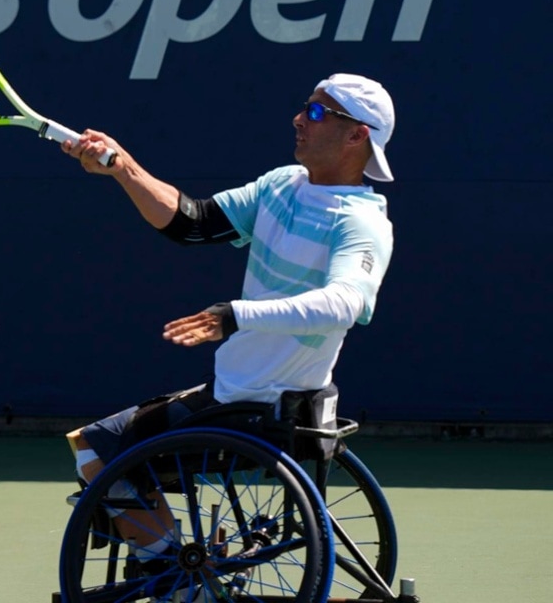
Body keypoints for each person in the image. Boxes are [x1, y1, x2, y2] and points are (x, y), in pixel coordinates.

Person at [60, 73, 395, 572]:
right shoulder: (281, 184)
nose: (298, 119)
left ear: (356, 135)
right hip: (235, 394)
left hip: (259, 407)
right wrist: (124, 168)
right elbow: (193, 221)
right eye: (305, 107)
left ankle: (172, 572)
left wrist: (236, 315)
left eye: (317, 113)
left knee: (94, 447)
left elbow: (345, 303)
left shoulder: (361, 221)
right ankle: (171, 558)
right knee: (112, 447)